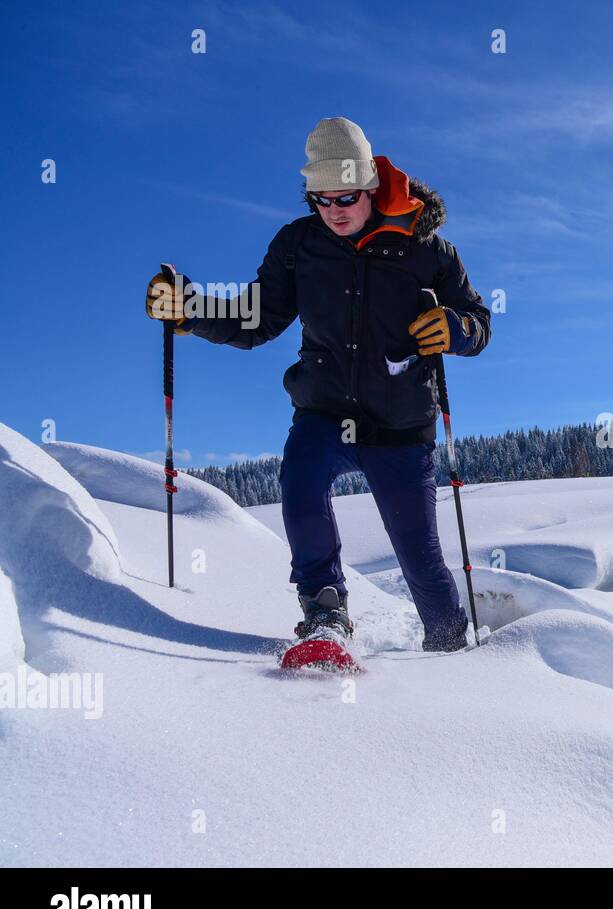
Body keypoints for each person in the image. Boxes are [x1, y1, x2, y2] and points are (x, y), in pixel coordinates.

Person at [146, 117, 491, 653]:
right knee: (301, 483)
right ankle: (325, 610)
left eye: (345, 197)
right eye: (320, 200)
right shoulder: (297, 246)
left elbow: (478, 323)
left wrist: (456, 328)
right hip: (324, 412)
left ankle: (452, 646)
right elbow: (256, 318)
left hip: (401, 427)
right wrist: (189, 310)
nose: (334, 211)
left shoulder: (426, 248)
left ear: (370, 187)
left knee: (420, 560)